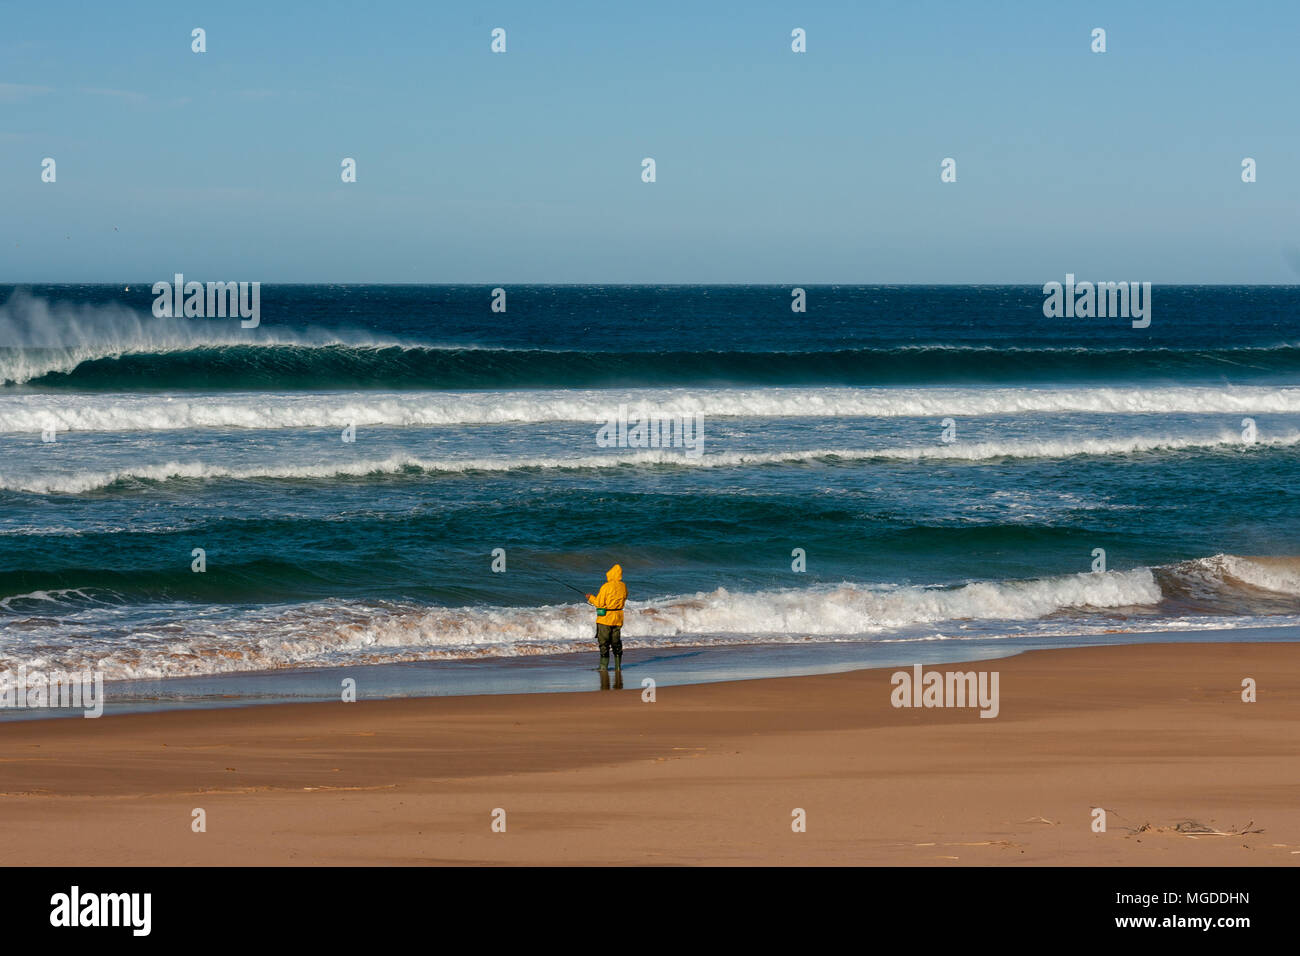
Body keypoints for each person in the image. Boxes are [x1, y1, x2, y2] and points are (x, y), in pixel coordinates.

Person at [586, 564, 627, 671]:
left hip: (605, 618)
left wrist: (590, 598)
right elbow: (625, 597)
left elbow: (599, 603)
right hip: (618, 618)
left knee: (603, 643)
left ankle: (603, 666)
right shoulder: (623, 586)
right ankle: (618, 666)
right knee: (616, 642)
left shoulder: (606, 586)